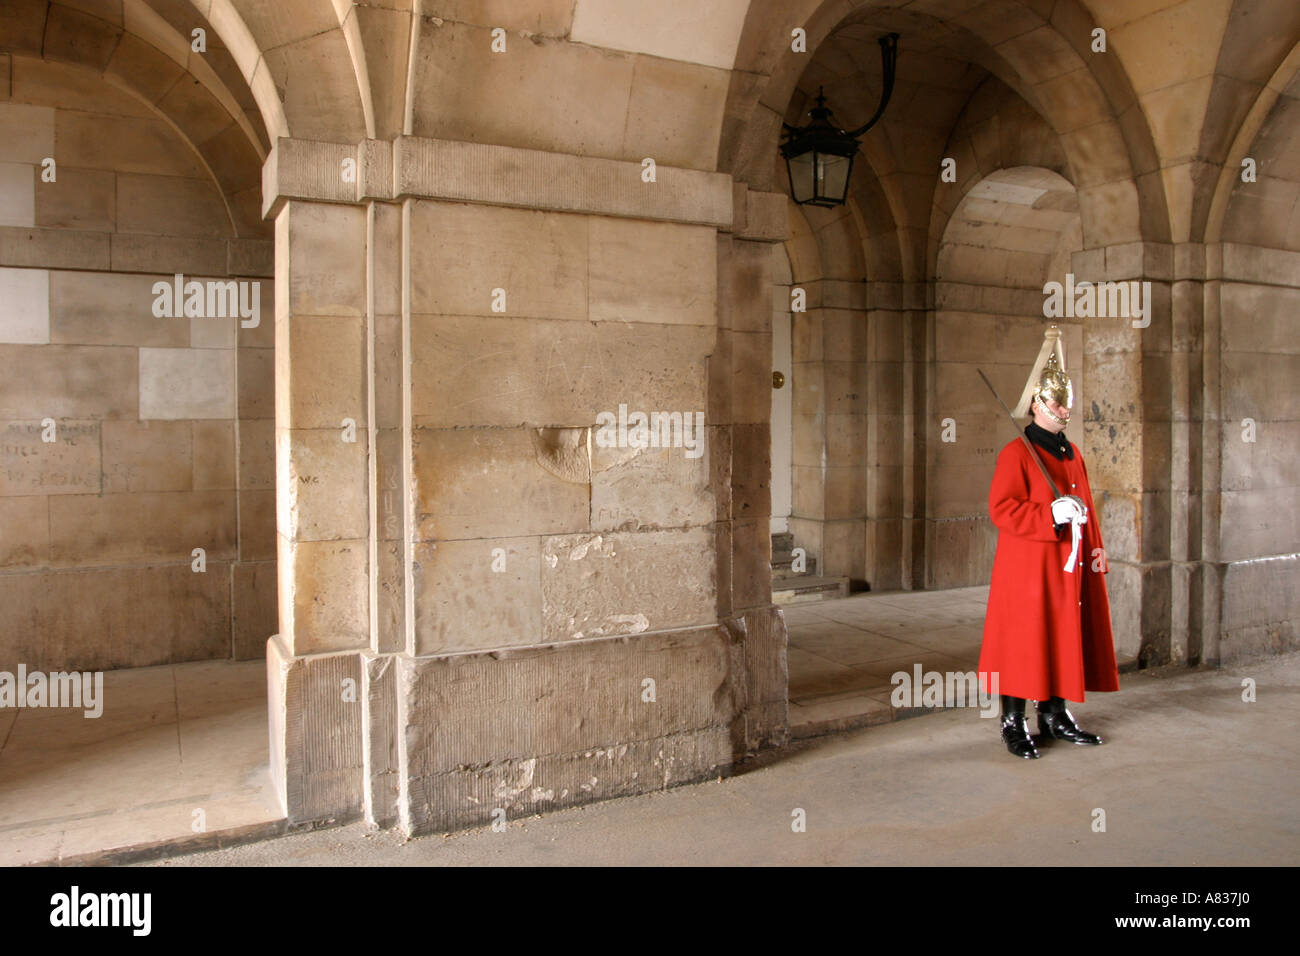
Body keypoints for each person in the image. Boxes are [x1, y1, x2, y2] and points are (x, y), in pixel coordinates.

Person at [978, 326, 1120, 759]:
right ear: (1037, 404)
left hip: (1069, 565)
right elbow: (1002, 509)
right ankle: (1013, 721)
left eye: (1066, 402)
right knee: (1024, 641)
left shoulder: (1071, 452)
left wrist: (1094, 554)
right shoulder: (1016, 454)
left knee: (1063, 637)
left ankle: (1055, 715)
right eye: (1056, 402)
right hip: (1029, 567)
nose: (1064, 409)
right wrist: (1049, 514)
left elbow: (1088, 507)